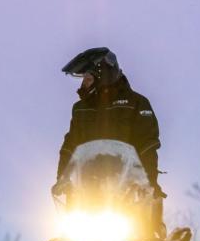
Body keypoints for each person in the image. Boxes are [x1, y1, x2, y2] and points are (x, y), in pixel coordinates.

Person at [55, 47, 164, 229]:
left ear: (102, 76)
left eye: (88, 79)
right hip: (87, 195)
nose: (83, 85)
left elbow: (147, 144)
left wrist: (148, 182)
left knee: (149, 232)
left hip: (127, 193)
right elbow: (70, 144)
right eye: (83, 80)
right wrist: (62, 180)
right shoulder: (80, 108)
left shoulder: (136, 103)